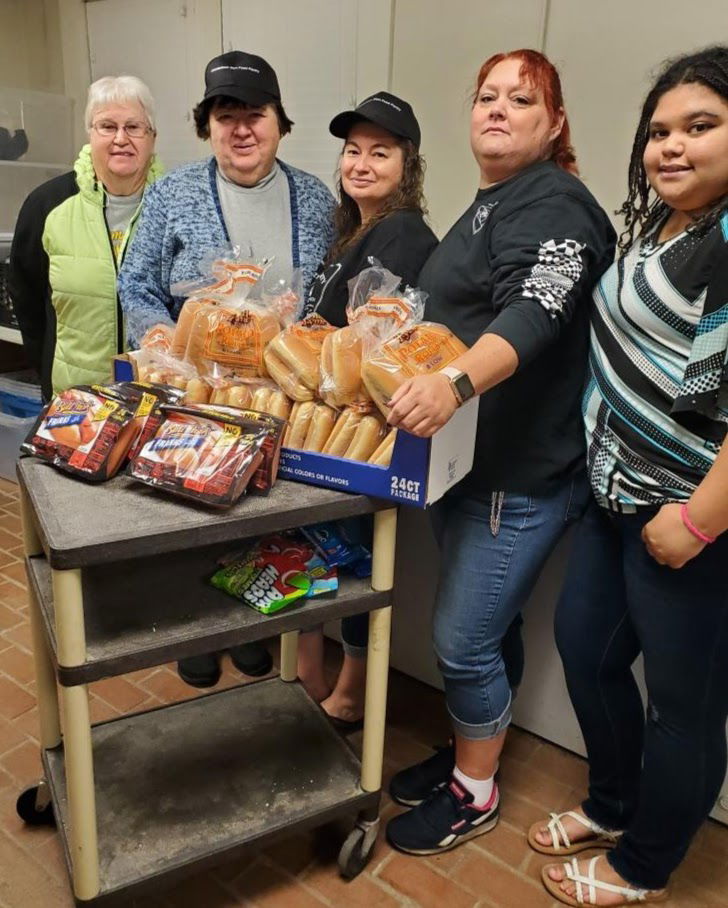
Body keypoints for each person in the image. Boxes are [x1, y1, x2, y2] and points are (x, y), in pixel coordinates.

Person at [382, 49, 616, 856]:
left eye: (523, 99)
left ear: (554, 125)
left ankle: (474, 793)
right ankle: (471, 748)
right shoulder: (492, 203)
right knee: (492, 627)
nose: (498, 108)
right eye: (487, 95)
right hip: (468, 470)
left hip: (518, 480)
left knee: (463, 639)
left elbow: (535, 310)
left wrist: (450, 382)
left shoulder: (559, 203)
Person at [531, 46, 728, 907]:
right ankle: (613, 803)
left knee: (682, 708)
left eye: (701, 126)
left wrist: (697, 523)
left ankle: (645, 866)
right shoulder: (661, 222)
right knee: (587, 652)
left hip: (691, 518)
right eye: (659, 131)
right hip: (614, 497)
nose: (671, 147)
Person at [119, 51, 335, 689]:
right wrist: (161, 337)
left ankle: (248, 623)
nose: (242, 129)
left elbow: (329, 293)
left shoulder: (317, 199)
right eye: (226, 115)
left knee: (264, 511)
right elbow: (136, 283)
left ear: (280, 123)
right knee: (194, 507)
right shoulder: (173, 193)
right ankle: (195, 626)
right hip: (195, 391)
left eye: (255, 115)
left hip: (279, 400)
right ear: (207, 125)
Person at [297, 91, 438, 726]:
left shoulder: (404, 232)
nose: (360, 163)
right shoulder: (352, 227)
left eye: (379, 153)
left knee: (353, 554)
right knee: (324, 548)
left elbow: (378, 342)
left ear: (406, 167)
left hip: (362, 424)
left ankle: (351, 687)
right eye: (352, 151)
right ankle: (311, 669)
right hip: (324, 417)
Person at [9, 76, 162, 399]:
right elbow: (26, 296)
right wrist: (49, 372)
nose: (121, 138)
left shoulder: (177, 204)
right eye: (107, 126)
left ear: (152, 136)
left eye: (134, 127)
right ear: (90, 134)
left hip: (158, 401)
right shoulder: (48, 204)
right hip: (76, 401)